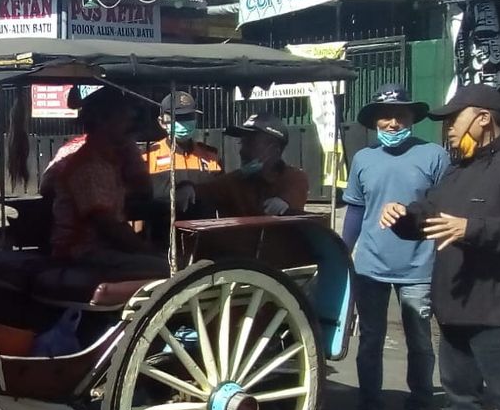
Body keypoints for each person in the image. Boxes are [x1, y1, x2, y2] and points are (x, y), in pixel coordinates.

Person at [381, 84, 500, 410]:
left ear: (484, 117)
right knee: (459, 395)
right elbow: (427, 212)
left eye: (455, 118)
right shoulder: (457, 168)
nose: (449, 128)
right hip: (453, 306)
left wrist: (473, 230)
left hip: (497, 309)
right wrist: (402, 215)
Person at [340, 83, 448, 410]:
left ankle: (420, 408)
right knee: (369, 340)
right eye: (385, 116)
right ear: (374, 121)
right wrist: (343, 251)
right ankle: (369, 408)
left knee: (419, 343)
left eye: (399, 114)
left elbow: (444, 208)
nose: (392, 122)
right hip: (370, 265)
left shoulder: (434, 155)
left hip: (419, 266)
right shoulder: (363, 159)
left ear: (411, 117)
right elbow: (355, 210)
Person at [40, 88, 166, 275]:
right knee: (169, 269)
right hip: (83, 253)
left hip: (101, 248)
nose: (130, 123)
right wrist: (149, 252)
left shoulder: (110, 161)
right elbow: (108, 227)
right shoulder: (89, 166)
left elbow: (142, 191)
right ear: (103, 121)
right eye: (124, 117)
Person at [195, 111, 309, 217]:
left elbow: (296, 190)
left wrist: (284, 201)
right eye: (242, 143)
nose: (242, 151)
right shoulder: (235, 181)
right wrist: (187, 189)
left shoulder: (292, 178)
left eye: (250, 143)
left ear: (274, 150)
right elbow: (205, 191)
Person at [142, 91, 223, 212]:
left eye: (188, 117)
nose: (183, 123)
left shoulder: (211, 156)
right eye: (177, 118)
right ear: (162, 122)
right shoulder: (148, 156)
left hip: (203, 225)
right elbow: (141, 197)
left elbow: (221, 189)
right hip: (163, 226)